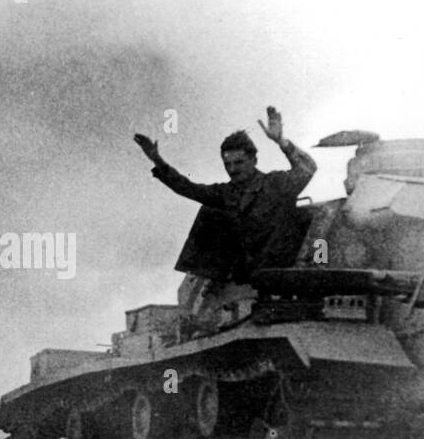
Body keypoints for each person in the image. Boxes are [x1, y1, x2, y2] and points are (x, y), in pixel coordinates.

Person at [133, 107, 316, 321]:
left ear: (254, 160)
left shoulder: (276, 184)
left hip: (278, 270)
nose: (233, 169)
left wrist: (281, 141)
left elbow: (308, 169)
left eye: (239, 162)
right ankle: (215, 278)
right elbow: (188, 188)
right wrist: (158, 161)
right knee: (209, 208)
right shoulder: (225, 193)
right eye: (227, 164)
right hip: (246, 275)